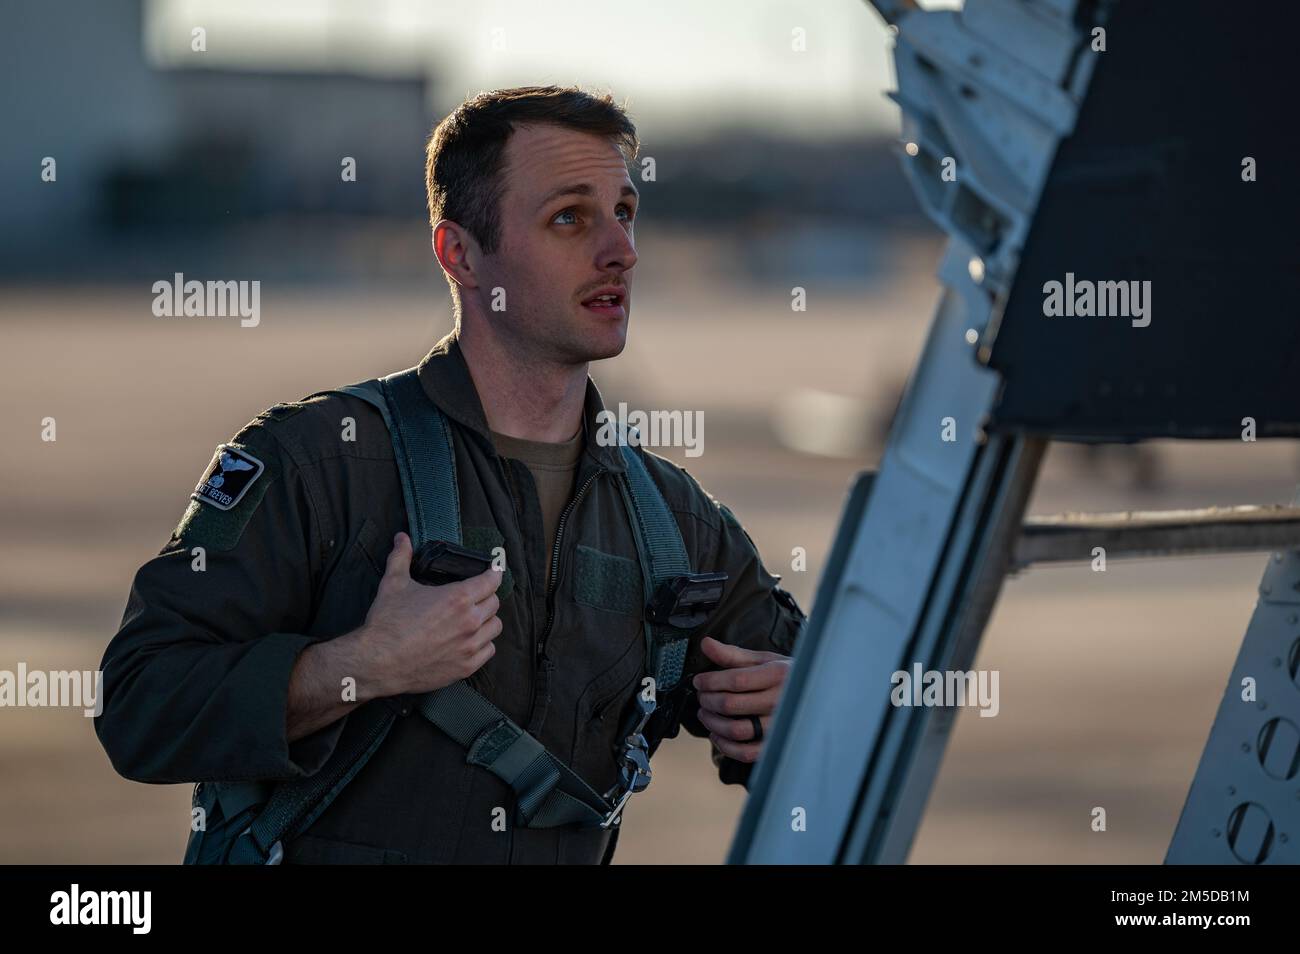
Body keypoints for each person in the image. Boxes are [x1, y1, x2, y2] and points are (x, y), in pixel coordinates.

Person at [95, 85, 807, 864]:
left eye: (625, 213)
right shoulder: (318, 464)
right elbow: (139, 704)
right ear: (460, 254)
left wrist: (793, 709)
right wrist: (355, 668)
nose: (620, 251)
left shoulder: (674, 524)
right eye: (570, 217)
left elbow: (823, 713)